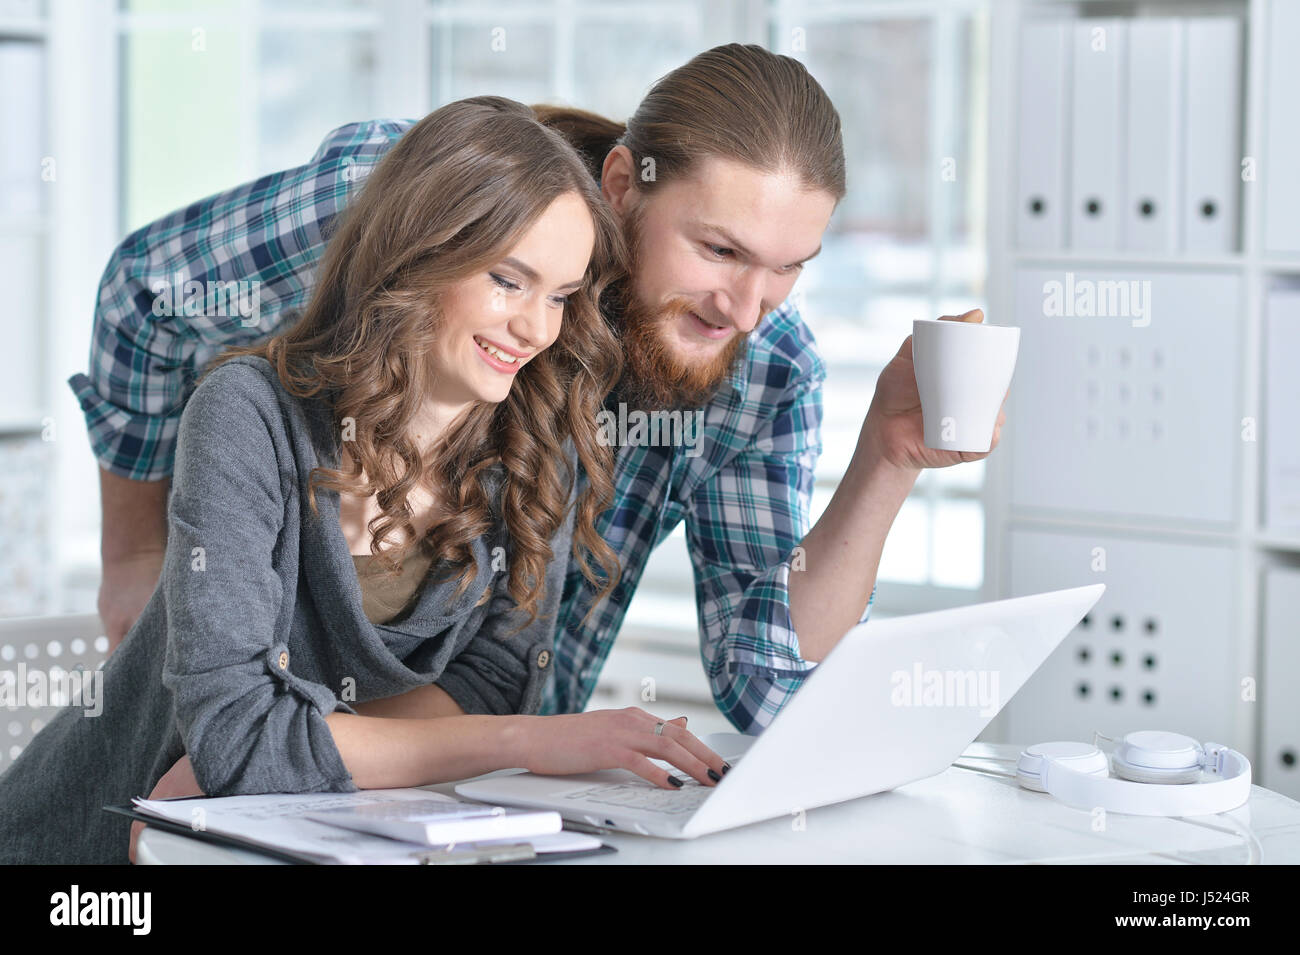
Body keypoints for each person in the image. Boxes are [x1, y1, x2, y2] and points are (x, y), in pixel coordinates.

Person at [77, 43, 1008, 739]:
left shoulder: (764, 368)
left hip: (480, 771)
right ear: (621, 186)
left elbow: (768, 683)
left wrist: (887, 463)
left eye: (788, 268)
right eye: (718, 249)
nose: (745, 307)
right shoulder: (428, 204)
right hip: (258, 759)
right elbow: (148, 296)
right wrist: (133, 553)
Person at [0, 96, 729, 866]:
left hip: (276, 838)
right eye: (508, 281)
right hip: (87, 852)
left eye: (559, 296)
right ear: (418, 253)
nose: (535, 329)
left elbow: (492, 680)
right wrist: (531, 741)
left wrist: (295, 753)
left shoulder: (538, 440)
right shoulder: (249, 413)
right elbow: (237, 734)